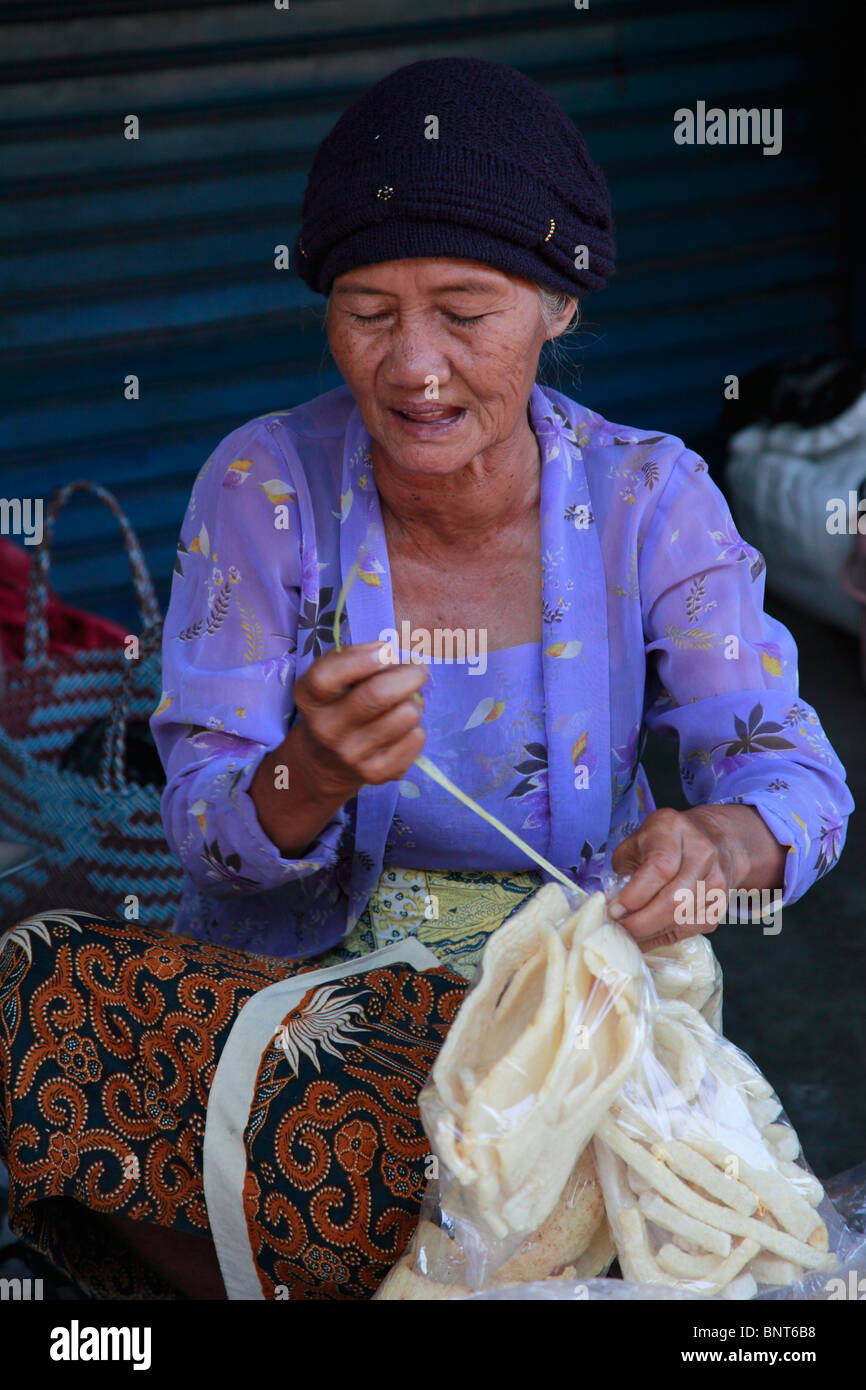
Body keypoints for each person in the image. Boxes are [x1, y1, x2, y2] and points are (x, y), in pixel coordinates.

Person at [0, 57, 853, 1302]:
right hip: (292, 1003)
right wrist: (310, 772)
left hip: (555, 1025)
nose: (412, 367)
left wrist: (716, 849)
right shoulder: (264, 491)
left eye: (463, 312)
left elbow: (795, 778)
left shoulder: (645, 502)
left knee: (449, 1151)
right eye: (365, 309)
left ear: (557, 306)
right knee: (37, 982)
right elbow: (201, 824)